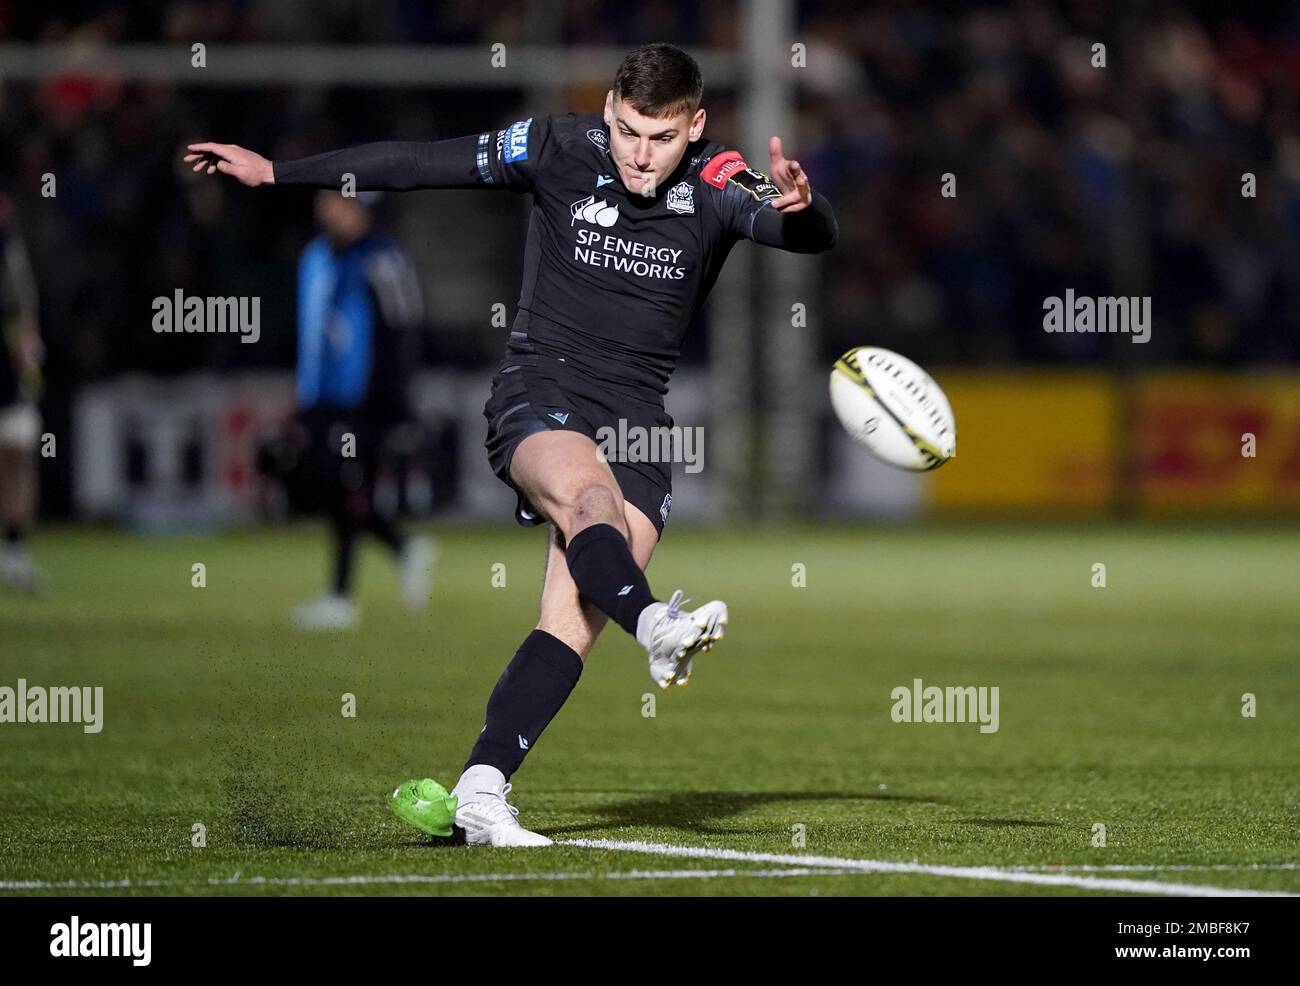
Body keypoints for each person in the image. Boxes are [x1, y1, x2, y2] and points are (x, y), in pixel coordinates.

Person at [186, 42, 837, 845]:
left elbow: (804, 237)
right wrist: (280, 172)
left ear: (695, 128)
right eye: (629, 131)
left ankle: (480, 793)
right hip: (543, 389)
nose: (640, 155)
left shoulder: (718, 179)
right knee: (590, 503)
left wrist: (806, 210)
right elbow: (422, 163)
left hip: (638, 416)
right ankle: (660, 631)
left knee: (569, 620)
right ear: (608, 111)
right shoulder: (558, 147)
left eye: (661, 138)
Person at [288, 189, 435, 629]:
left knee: (348, 485)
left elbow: (403, 327)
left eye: (338, 200)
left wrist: (397, 401)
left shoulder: (382, 258)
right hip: (321, 397)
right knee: (332, 488)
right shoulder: (315, 256)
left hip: (364, 399)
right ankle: (403, 547)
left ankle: (340, 597)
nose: (328, 208)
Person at [0, 192, 43, 594]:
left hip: (8, 370)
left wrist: (28, 359)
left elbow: (22, 305)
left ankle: (14, 550)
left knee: (17, 453)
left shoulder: (9, 240)